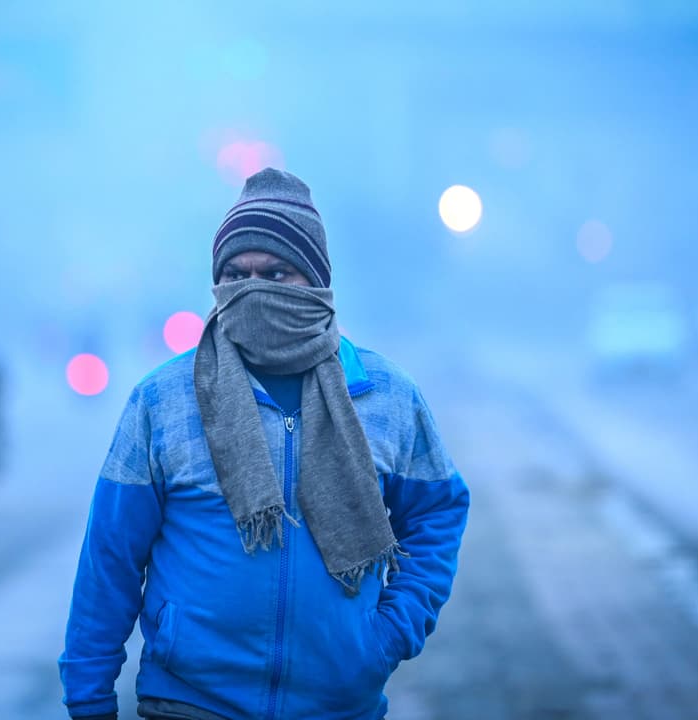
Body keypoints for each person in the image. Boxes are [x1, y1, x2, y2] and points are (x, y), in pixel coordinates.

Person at [59, 168, 470, 720]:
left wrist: (387, 635)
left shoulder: (386, 396)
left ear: (316, 279)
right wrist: (88, 698)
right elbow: (109, 559)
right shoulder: (163, 400)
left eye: (276, 272)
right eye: (234, 273)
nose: (251, 288)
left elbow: (437, 513)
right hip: (189, 705)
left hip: (338, 707)